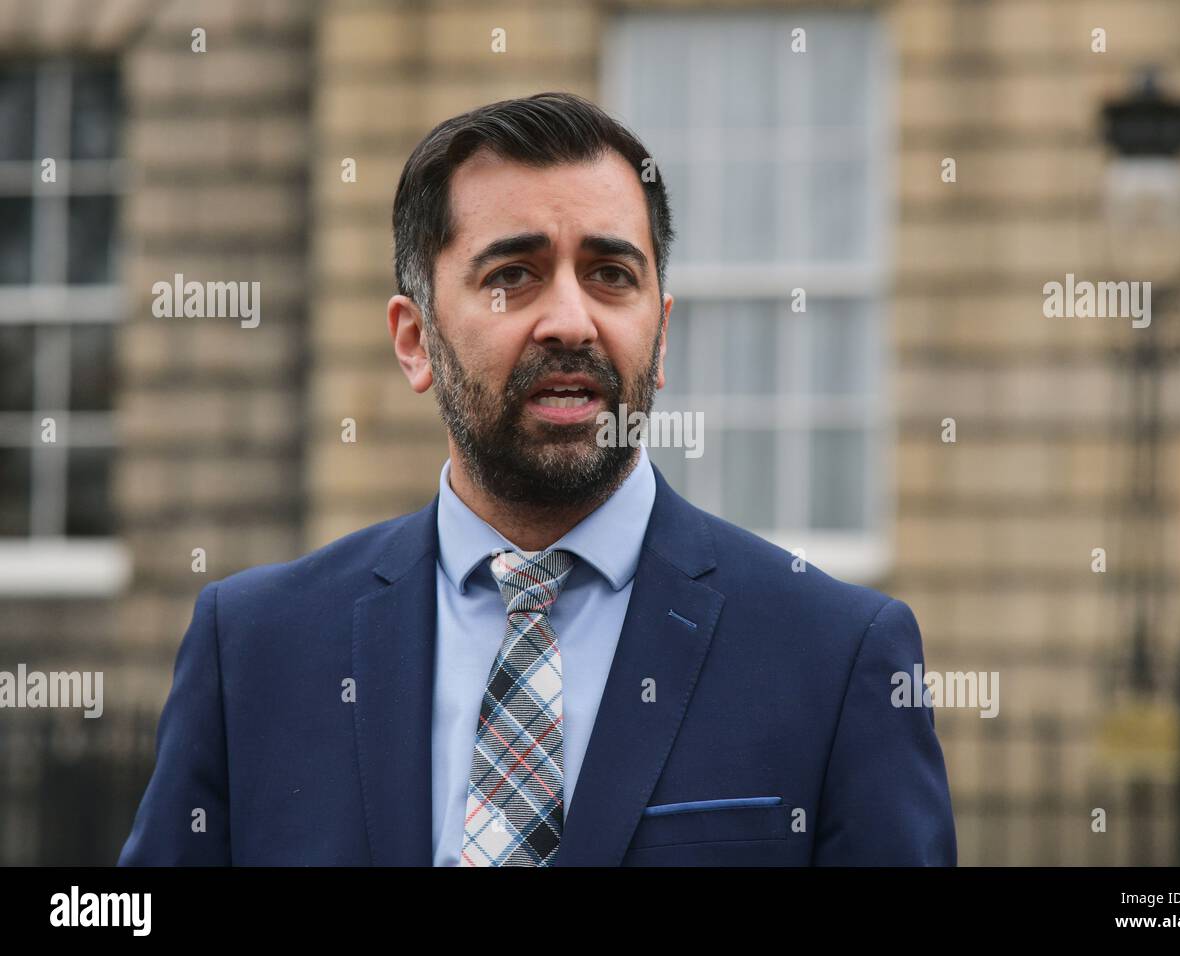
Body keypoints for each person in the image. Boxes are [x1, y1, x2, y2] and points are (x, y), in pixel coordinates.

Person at [119, 91, 957, 866]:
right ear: (414, 340)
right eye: (511, 275)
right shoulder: (257, 648)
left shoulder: (838, 655)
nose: (569, 320)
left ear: (661, 337)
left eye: (611, 275)